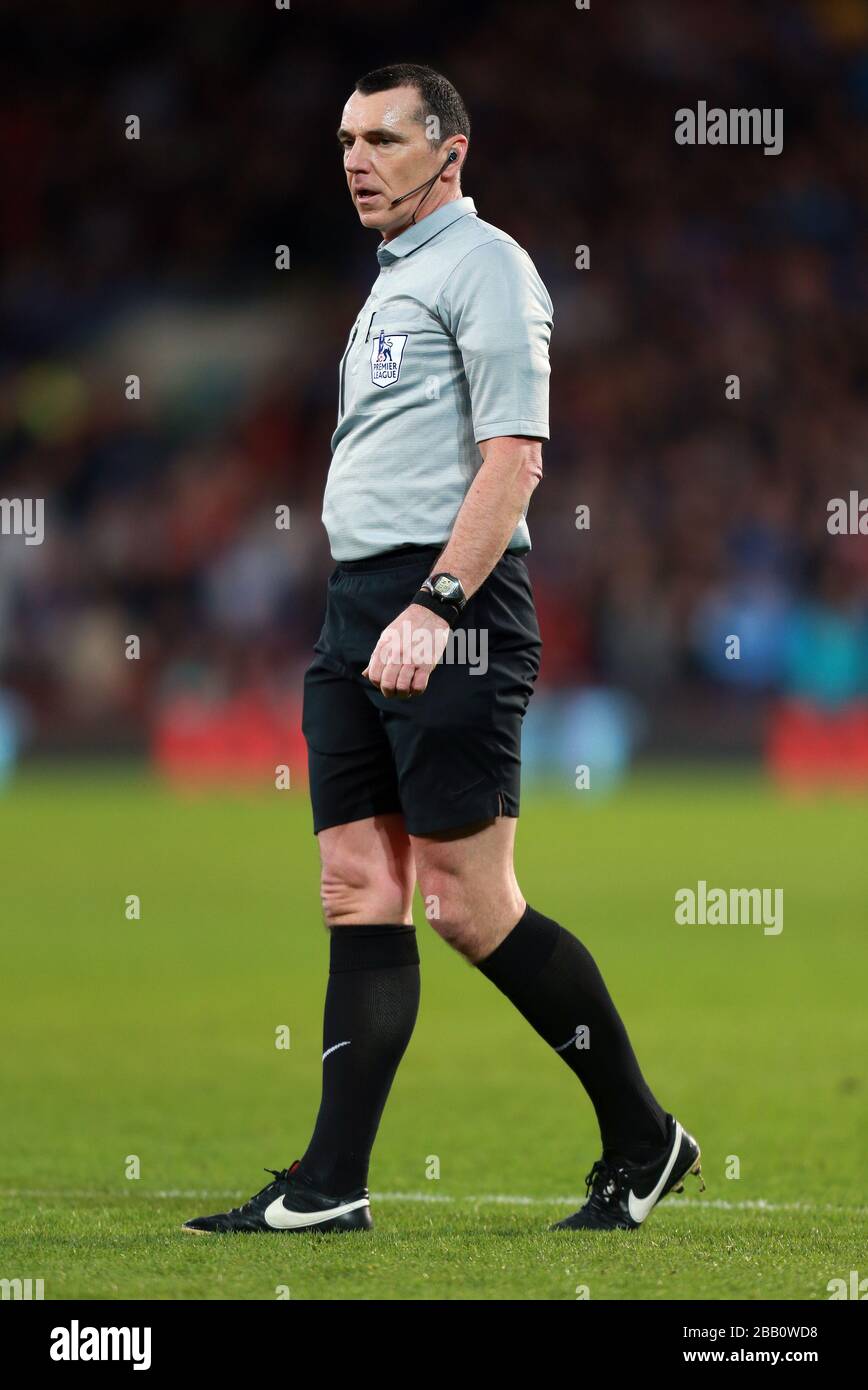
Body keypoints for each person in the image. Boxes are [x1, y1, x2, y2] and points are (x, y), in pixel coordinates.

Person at [183, 62, 701, 1238]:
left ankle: (642, 1135)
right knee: (356, 884)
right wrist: (380, 605)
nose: (356, 158)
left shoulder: (489, 268)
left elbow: (513, 457)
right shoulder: (393, 281)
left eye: (382, 137)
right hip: (358, 605)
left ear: (449, 151)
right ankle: (330, 1186)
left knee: (469, 903)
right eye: (346, 137)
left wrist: (437, 602)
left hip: (445, 609)